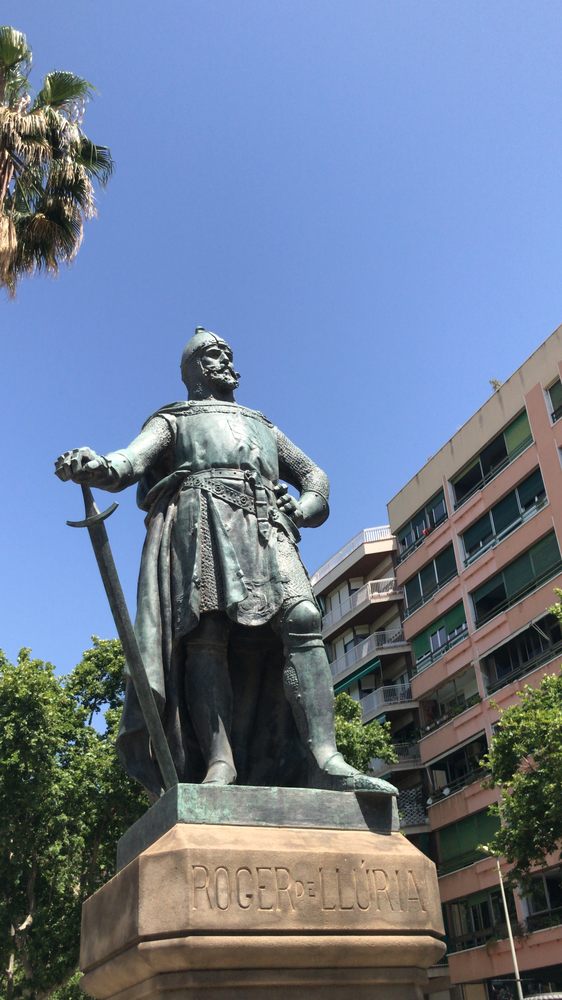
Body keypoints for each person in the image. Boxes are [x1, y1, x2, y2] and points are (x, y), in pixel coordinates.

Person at [56, 328, 397, 799]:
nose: (224, 360)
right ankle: (220, 762)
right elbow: (131, 461)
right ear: (192, 369)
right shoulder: (173, 419)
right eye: (213, 354)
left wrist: (306, 506)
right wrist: (99, 466)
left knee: (303, 617)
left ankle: (325, 758)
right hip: (201, 519)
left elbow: (313, 473)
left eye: (227, 354)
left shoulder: (261, 422)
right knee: (206, 634)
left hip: (266, 521)